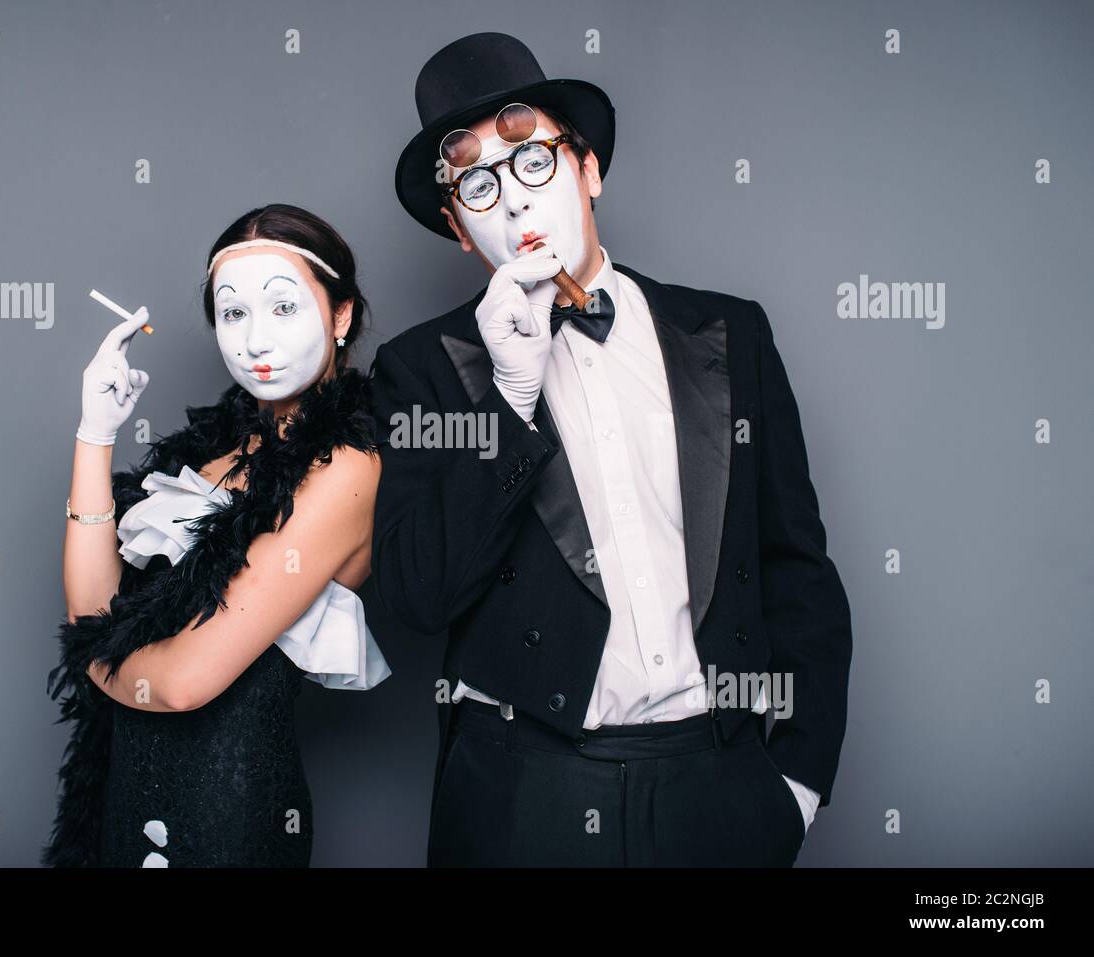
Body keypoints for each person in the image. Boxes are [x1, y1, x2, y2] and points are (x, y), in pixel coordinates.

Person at [370, 32, 852, 866]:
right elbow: (418, 597)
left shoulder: (732, 331)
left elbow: (796, 567)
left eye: (532, 161)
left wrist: (796, 783)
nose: (513, 202)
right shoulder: (420, 369)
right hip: (522, 797)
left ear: (588, 169)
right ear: (457, 228)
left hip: (717, 785)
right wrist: (512, 397)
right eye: (477, 185)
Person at [45, 203, 387, 867]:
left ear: (341, 315)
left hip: (227, 817)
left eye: (283, 307)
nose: (256, 339)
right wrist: (96, 431)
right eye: (234, 313)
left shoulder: (347, 465)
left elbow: (183, 681)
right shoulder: (212, 451)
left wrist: (90, 654)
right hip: (119, 799)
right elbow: (90, 602)